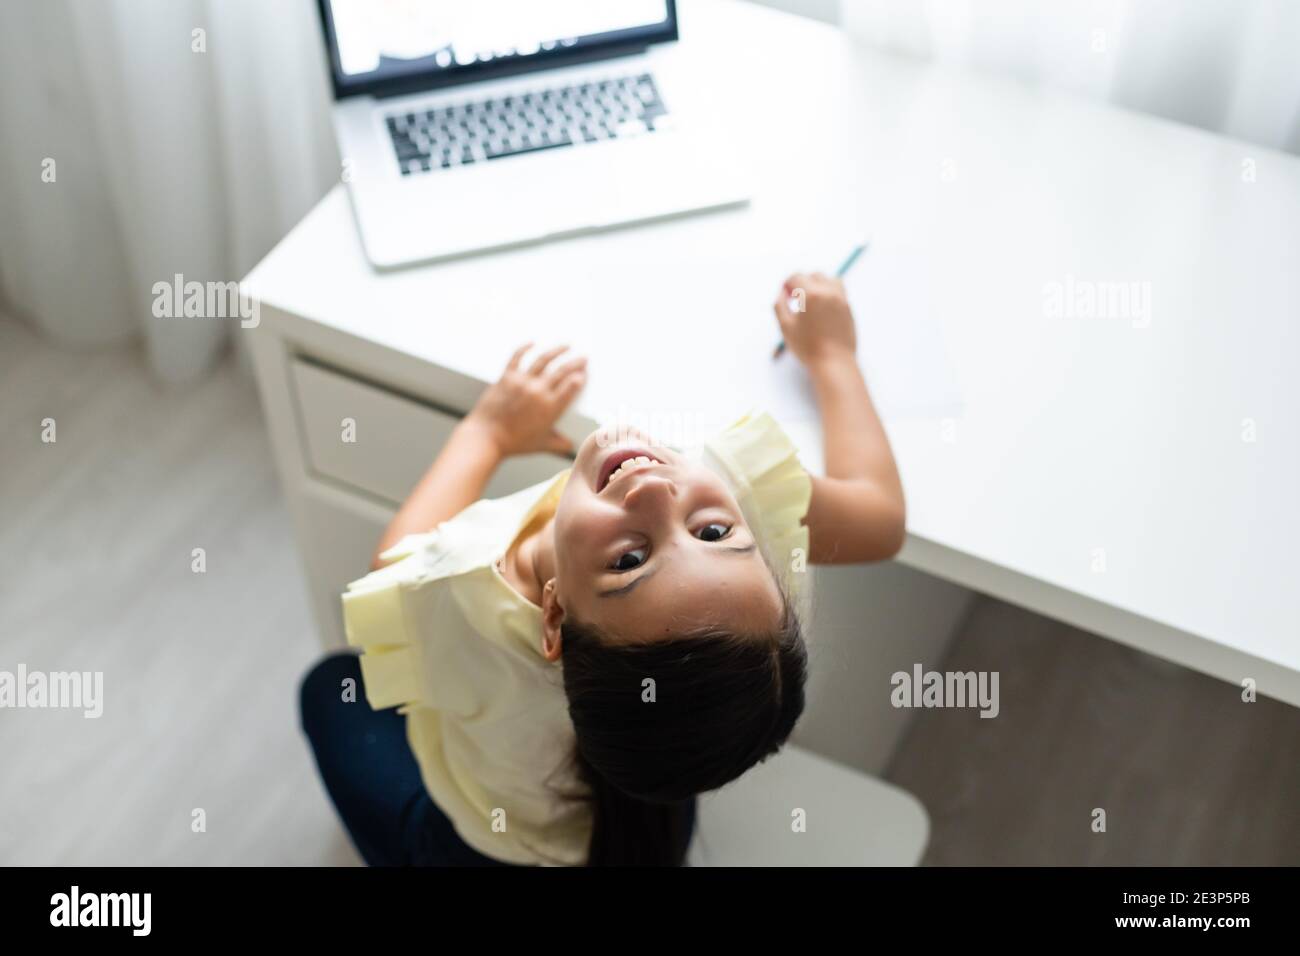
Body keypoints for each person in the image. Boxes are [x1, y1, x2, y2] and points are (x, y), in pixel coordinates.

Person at [300, 271, 905, 866]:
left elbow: (391, 572)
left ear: (555, 614)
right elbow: (880, 519)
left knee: (329, 686)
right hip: (652, 812)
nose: (656, 492)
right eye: (713, 533)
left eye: (629, 561)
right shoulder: (743, 509)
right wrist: (832, 357)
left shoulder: (458, 589)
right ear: (773, 566)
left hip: (493, 850)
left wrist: (487, 431)